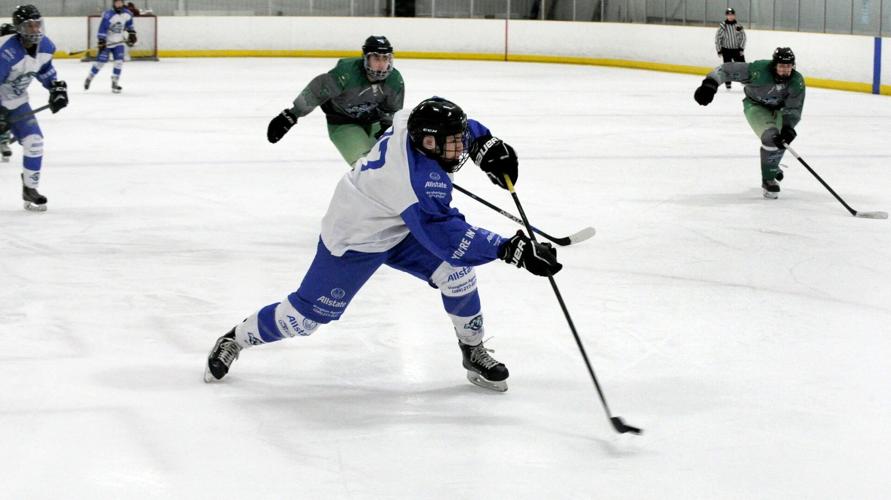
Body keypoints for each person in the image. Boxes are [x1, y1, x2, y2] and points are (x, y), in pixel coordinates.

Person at [207, 97, 562, 392]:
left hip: (397, 222)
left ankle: (472, 349)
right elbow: (450, 237)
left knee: (458, 275)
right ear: (427, 144)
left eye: (459, 141)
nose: (459, 148)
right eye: (452, 143)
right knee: (303, 320)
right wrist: (509, 249)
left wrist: (486, 145)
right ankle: (236, 338)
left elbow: (459, 127)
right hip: (355, 237)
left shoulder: (412, 120)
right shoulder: (418, 182)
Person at [267, 35, 405, 168]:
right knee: (364, 166)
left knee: (390, 165)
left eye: (385, 58)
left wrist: (387, 128)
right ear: (366, 58)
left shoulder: (395, 80)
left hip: (374, 121)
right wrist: (291, 115)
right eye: (376, 58)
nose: (381, 64)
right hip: (343, 122)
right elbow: (317, 91)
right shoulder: (345, 74)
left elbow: (391, 110)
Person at [694, 47, 805, 199]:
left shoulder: (796, 81)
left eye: (789, 66)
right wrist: (710, 84)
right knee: (771, 137)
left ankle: (771, 166)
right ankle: (768, 179)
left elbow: (794, 108)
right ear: (774, 65)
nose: (786, 70)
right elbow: (726, 69)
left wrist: (788, 126)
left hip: (779, 109)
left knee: (782, 139)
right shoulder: (758, 71)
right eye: (781, 66)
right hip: (756, 106)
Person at [0, 5, 68, 212]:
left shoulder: (46, 46)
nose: (35, 30)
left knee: (35, 141)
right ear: (19, 29)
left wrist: (55, 89)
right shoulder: (7, 51)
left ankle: (30, 188)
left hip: (18, 102)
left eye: (37, 24)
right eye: (29, 26)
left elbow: (45, 70)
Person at [84, 0, 137, 94]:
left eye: (120, 2)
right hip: (107, 43)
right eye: (117, 2)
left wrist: (132, 33)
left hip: (119, 43)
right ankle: (90, 77)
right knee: (100, 62)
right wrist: (101, 40)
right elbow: (102, 28)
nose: (119, 4)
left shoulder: (127, 14)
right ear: (113, 3)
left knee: (119, 62)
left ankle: (115, 83)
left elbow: (129, 25)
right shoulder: (109, 15)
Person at [715, 7, 746, 90]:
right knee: (727, 67)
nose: (730, 16)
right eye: (729, 15)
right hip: (726, 50)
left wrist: (741, 48)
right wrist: (719, 50)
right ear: (726, 16)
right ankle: (728, 83)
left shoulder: (738, 25)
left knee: (743, 66)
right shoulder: (723, 26)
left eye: (732, 15)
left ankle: (745, 81)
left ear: (734, 15)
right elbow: (718, 38)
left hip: (736, 50)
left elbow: (743, 37)